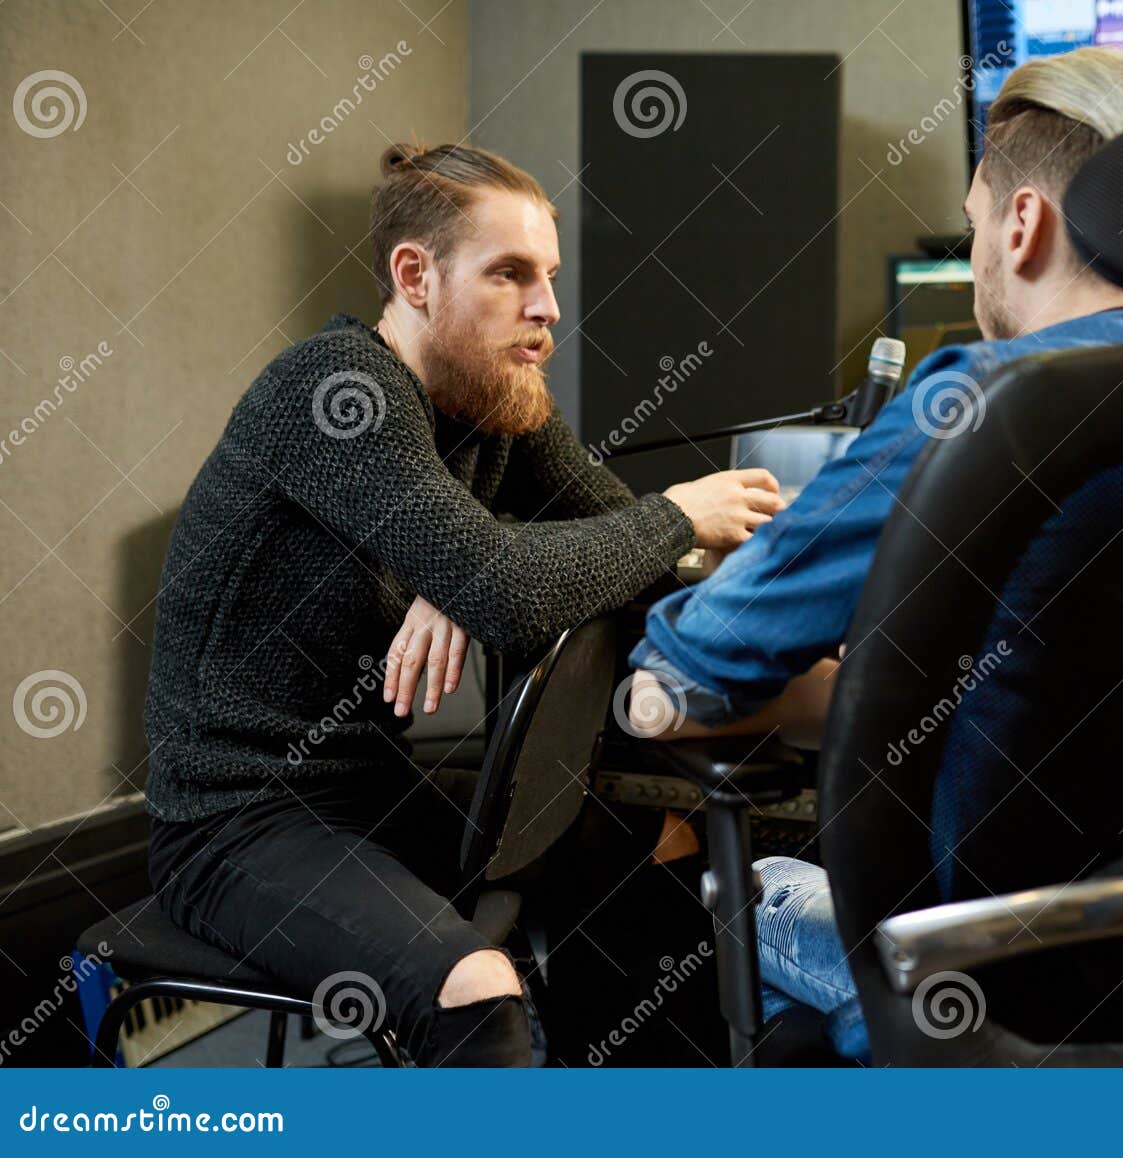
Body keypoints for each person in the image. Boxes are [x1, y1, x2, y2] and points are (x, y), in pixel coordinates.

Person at [627, 48, 1123, 1060]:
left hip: (1032, 1009)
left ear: (1023, 222)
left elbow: (686, 675)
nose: (975, 252)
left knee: (761, 890)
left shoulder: (986, 401)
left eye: (975, 223)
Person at [142, 142, 783, 1066]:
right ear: (416, 276)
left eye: (550, 277)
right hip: (237, 822)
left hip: (368, 788)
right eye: (510, 274)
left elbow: (604, 556)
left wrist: (479, 565)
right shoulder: (337, 390)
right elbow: (516, 587)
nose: (547, 307)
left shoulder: (499, 403)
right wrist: (671, 514)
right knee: (476, 988)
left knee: (667, 853)